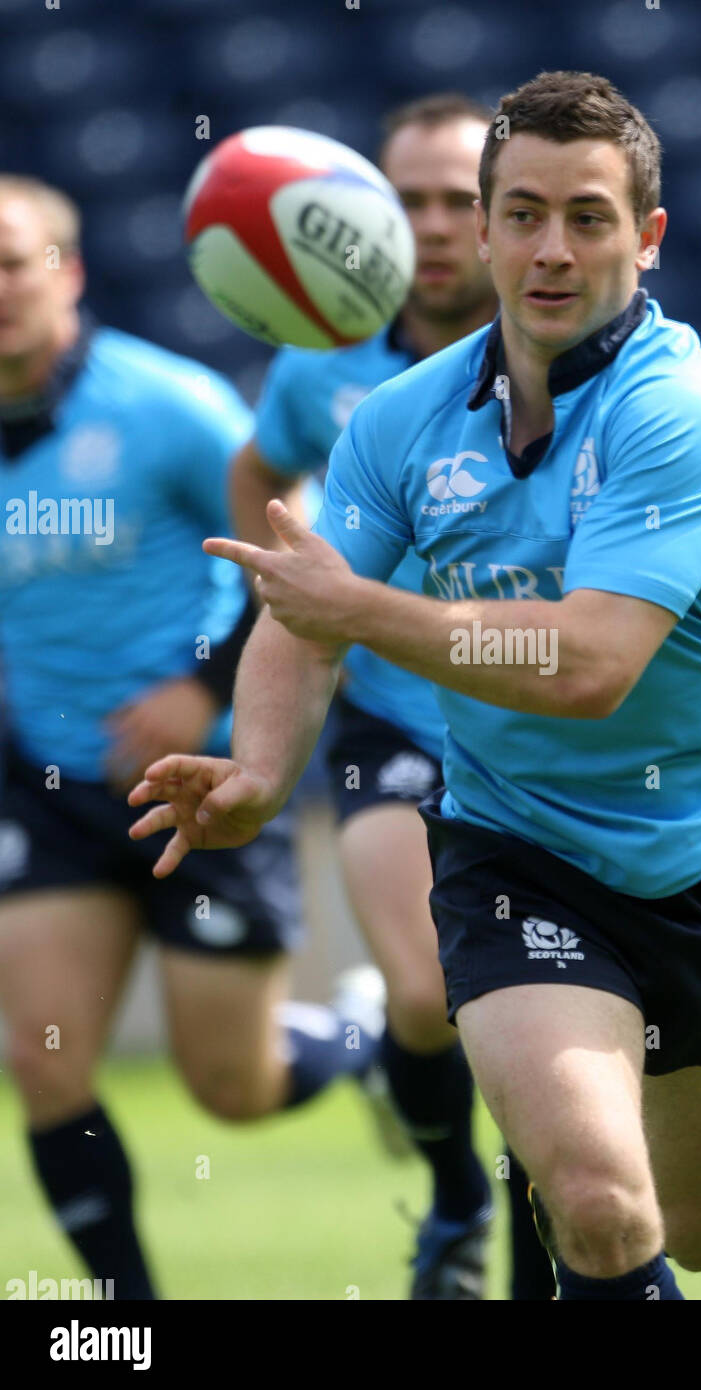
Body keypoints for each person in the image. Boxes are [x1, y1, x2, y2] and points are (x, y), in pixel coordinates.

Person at [129, 70, 701, 1302]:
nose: (551, 249)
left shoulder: (687, 416)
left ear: (646, 239)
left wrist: (359, 610)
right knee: (598, 1207)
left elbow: (591, 664)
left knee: (693, 1232)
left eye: (588, 217)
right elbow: (301, 609)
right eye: (524, 213)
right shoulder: (396, 421)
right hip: (512, 848)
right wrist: (262, 770)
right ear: (483, 230)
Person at [0, 176, 379, 1301]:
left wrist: (195, 683)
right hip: (47, 788)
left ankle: (356, 1037)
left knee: (232, 1088)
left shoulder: (167, 404)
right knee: (44, 1059)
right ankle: (129, 1322)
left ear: (65, 274)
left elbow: (295, 559)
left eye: (12, 263)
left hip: (207, 775)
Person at [230, 93, 552, 1301]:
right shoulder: (319, 360)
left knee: (530, 1039)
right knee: (428, 995)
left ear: (490, 215)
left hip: (531, 736)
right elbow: (257, 464)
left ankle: (536, 1263)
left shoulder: (558, 361)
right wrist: (261, 611)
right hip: (389, 716)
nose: (424, 223)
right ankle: (455, 1197)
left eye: (448, 198)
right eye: (399, 197)